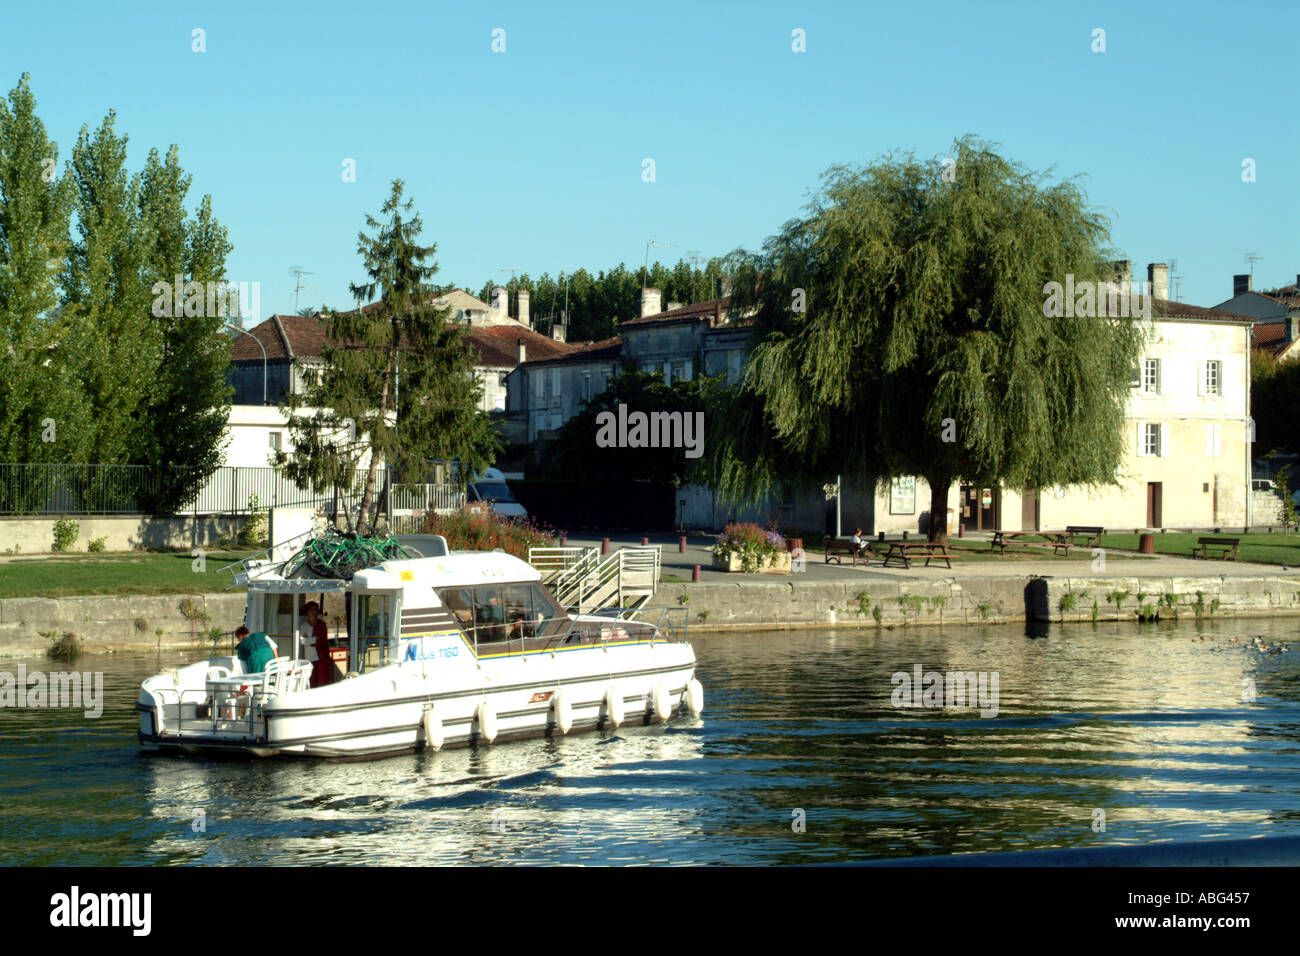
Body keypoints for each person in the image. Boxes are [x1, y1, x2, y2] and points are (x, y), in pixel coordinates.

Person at [300, 601, 331, 687]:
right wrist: (315, 639)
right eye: (311, 610)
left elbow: (322, 640)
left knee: (323, 684)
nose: (314, 612)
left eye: (316, 610)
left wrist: (308, 640)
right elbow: (302, 641)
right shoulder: (304, 626)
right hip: (310, 659)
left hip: (322, 658)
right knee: (312, 683)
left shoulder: (322, 625)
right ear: (307, 612)